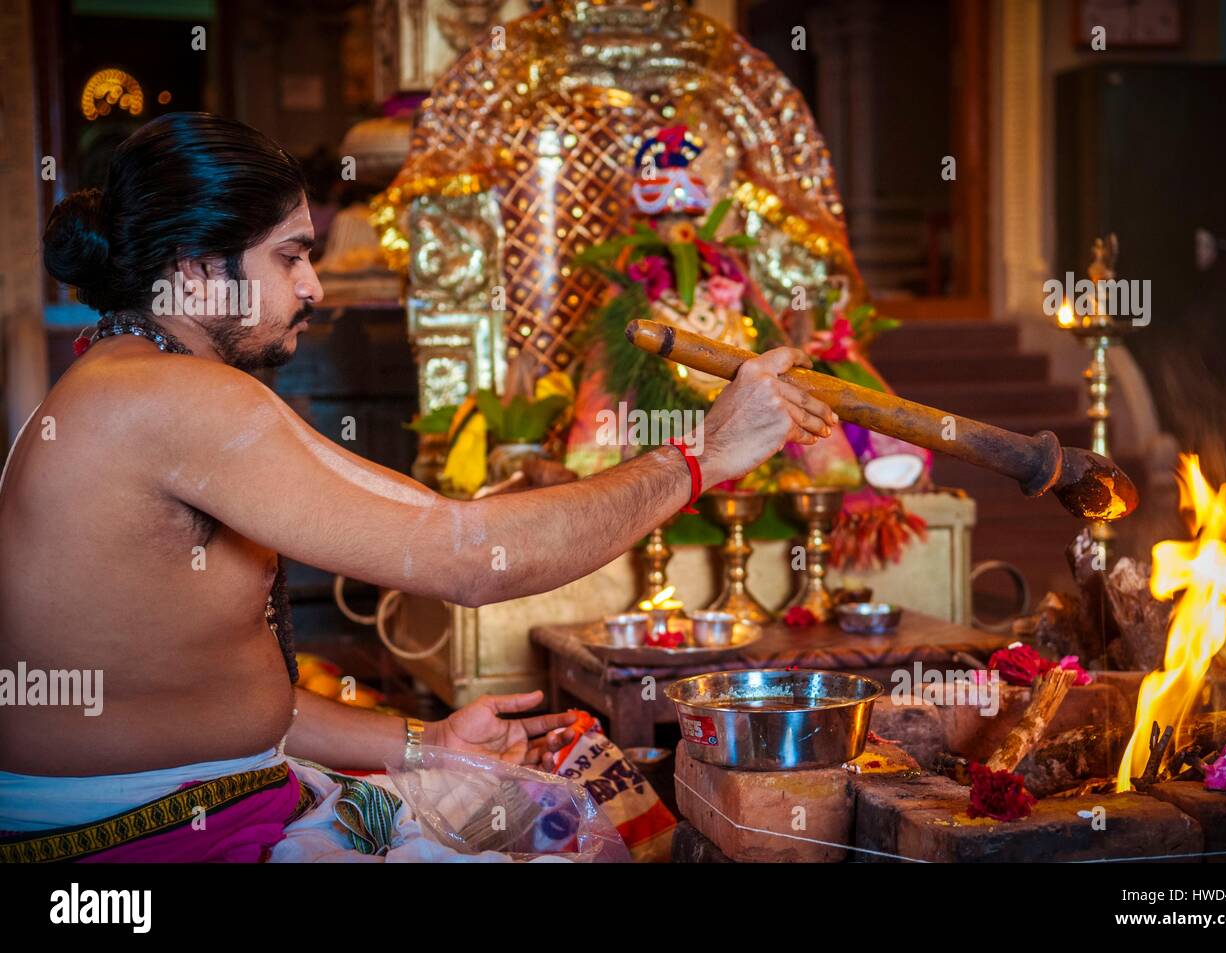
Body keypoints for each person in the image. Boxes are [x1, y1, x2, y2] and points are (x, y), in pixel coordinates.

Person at [0, 113, 837, 862]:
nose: (312, 287)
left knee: (588, 779)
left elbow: (212, 697)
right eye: (289, 255)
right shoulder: (170, 400)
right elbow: (473, 557)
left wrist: (424, 742)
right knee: (587, 827)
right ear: (195, 270)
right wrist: (701, 453)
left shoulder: (132, 382)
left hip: (213, 800)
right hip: (147, 842)